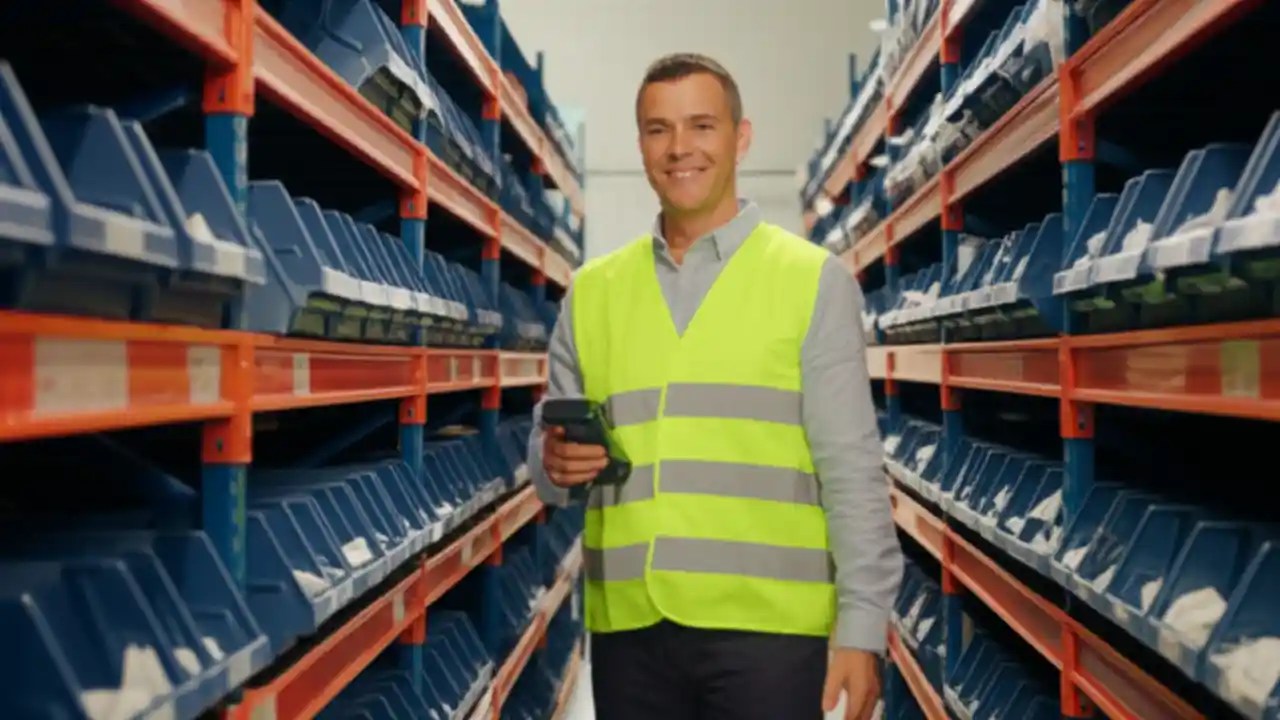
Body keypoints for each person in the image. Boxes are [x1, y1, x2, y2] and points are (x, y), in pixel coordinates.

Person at [528, 52, 902, 720]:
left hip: (772, 635)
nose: (679, 149)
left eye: (701, 126)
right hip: (631, 633)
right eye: (658, 129)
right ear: (640, 142)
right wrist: (554, 463)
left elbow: (852, 471)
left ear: (741, 137)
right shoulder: (592, 293)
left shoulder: (811, 281)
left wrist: (862, 628)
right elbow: (550, 465)